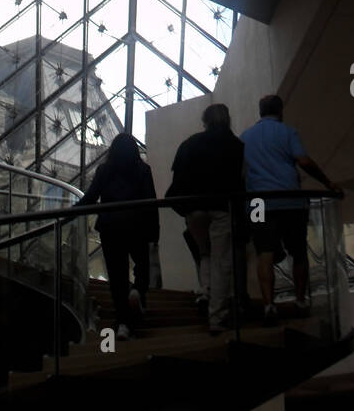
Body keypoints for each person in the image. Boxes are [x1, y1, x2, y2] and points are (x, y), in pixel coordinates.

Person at [240, 94, 343, 324]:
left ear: (260, 112)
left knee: (263, 253)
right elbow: (304, 161)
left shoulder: (245, 138)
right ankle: (300, 299)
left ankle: (268, 304)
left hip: (257, 203)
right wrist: (328, 183)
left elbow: (241, 173)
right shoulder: (287, 132)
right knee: (298, 251)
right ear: (280, 111)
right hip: (291, 200)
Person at [166, 103, 244, 334]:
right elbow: (241, 184)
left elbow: (176, 183)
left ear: (205, 121)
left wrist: (185, 209)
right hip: (222, 209)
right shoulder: (236, 146)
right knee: (222, 261)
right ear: (227, 120)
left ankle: (205, 290)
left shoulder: (189, 144)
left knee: (204, 253)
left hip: (195, 210)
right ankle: (217, 316)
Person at [79, 135, 158, 341]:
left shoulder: (104, 171)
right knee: (142, 266)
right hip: (137, 224)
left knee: (117, 276)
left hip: (110, 227)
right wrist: (154, 232)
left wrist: (69, 212)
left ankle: (122, 324)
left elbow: (90, 198)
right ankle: (138, 291)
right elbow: (151, 203)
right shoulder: (143, 170)